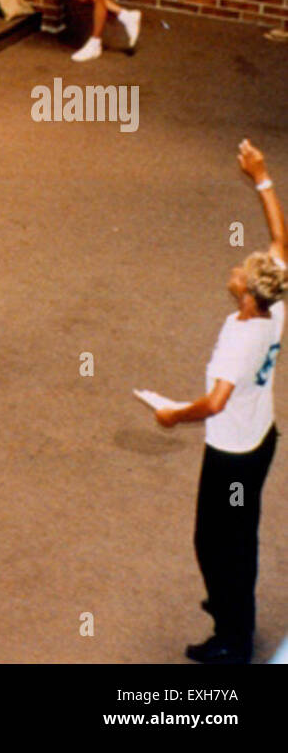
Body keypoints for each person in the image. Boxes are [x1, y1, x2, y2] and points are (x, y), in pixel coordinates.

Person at [154, 140, 285, 665]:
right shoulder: (276, 306)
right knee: (235, 535)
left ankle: (234, 637)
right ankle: (234, 614)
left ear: (248, 295)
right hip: (261, 438)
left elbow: (213, 402)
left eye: (240, 273)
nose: (235, 270)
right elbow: (279, 237)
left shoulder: (241, 335)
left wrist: (171, 413)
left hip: (233, 456)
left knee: (218, 542)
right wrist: (262, 177)